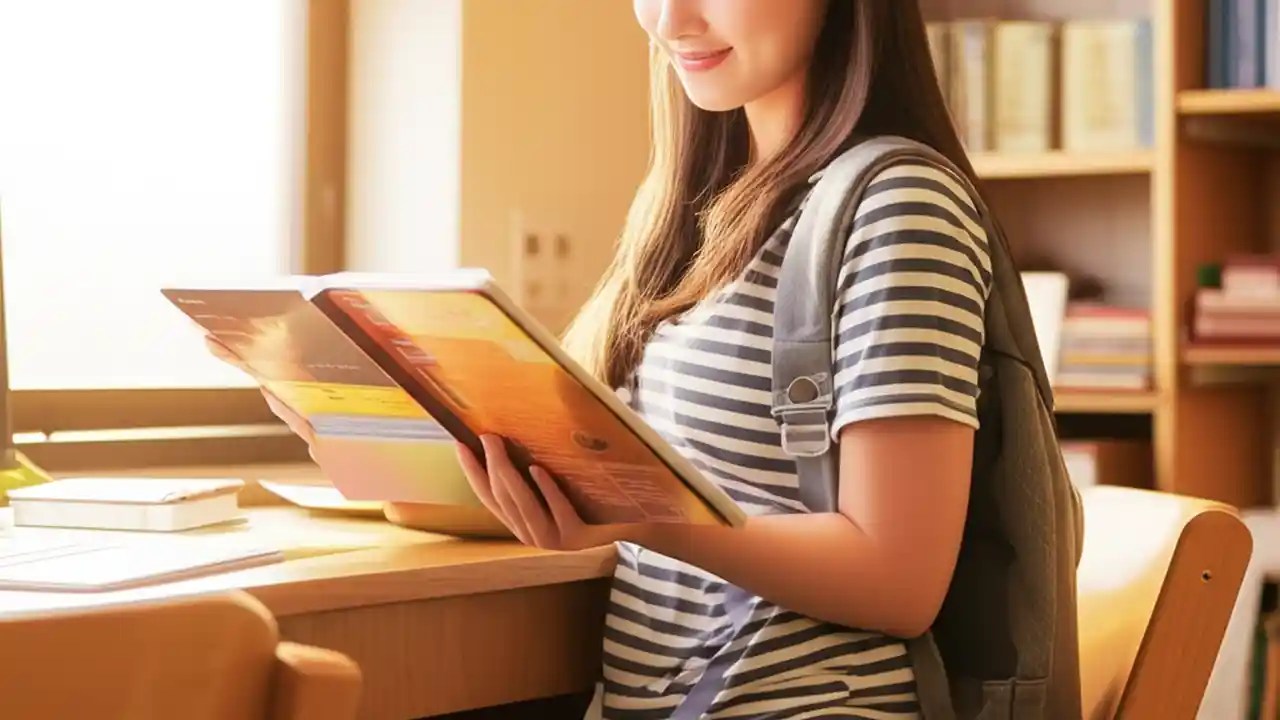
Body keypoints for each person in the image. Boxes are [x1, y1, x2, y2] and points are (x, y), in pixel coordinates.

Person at [211, 1, 1005, 717]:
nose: (669, 20)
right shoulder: (698, 213)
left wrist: (648, 518)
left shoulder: (900, 202)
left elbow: (899, 580)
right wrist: (365, 425)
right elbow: (573, 482)